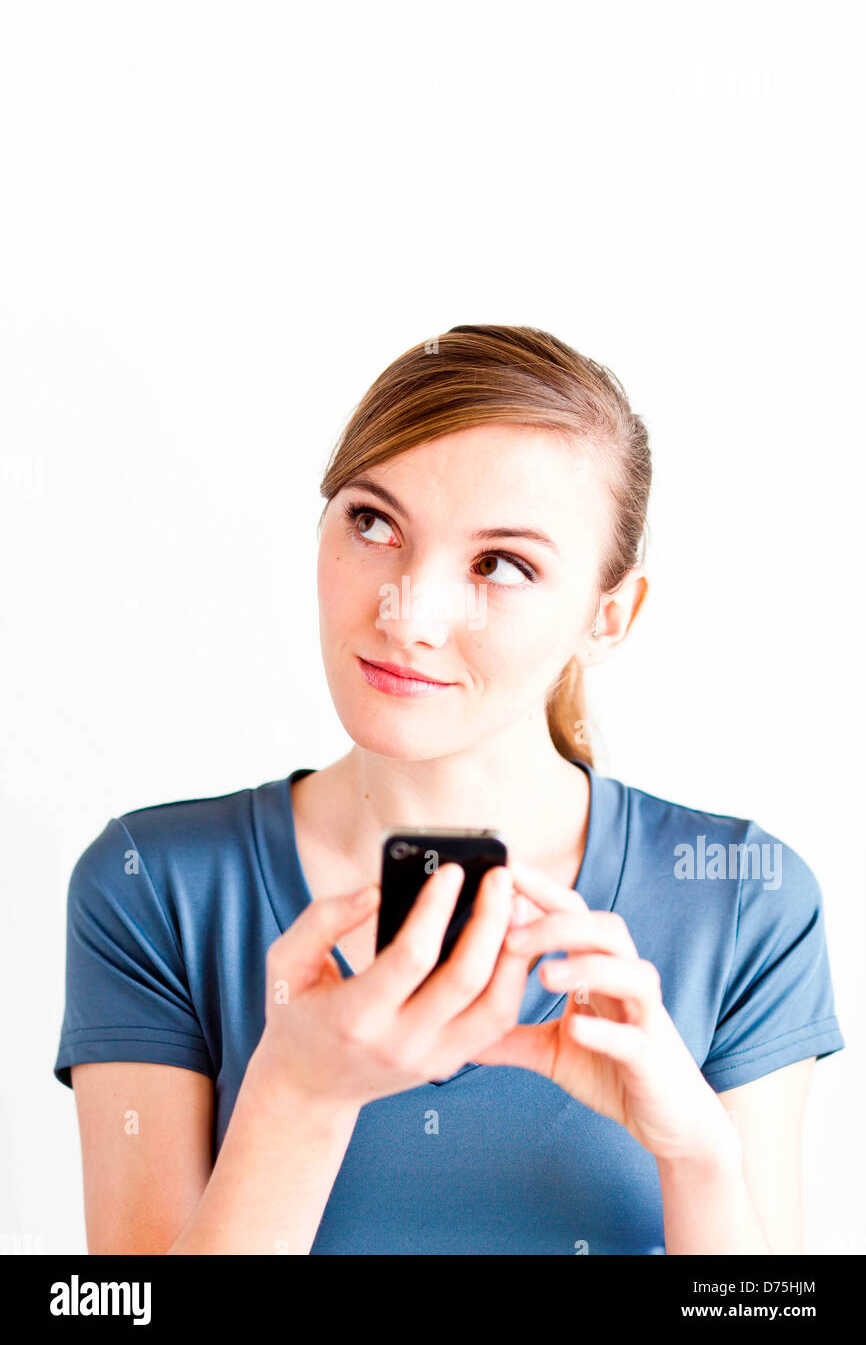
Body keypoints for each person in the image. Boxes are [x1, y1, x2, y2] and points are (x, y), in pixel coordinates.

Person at [54, 325, 844, 1255]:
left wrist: (700, 1158)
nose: (409, 614)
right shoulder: (156, 885)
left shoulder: (743, 896)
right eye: (373, 522)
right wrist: (297, 1099)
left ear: (609, 616)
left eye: (501, 564)